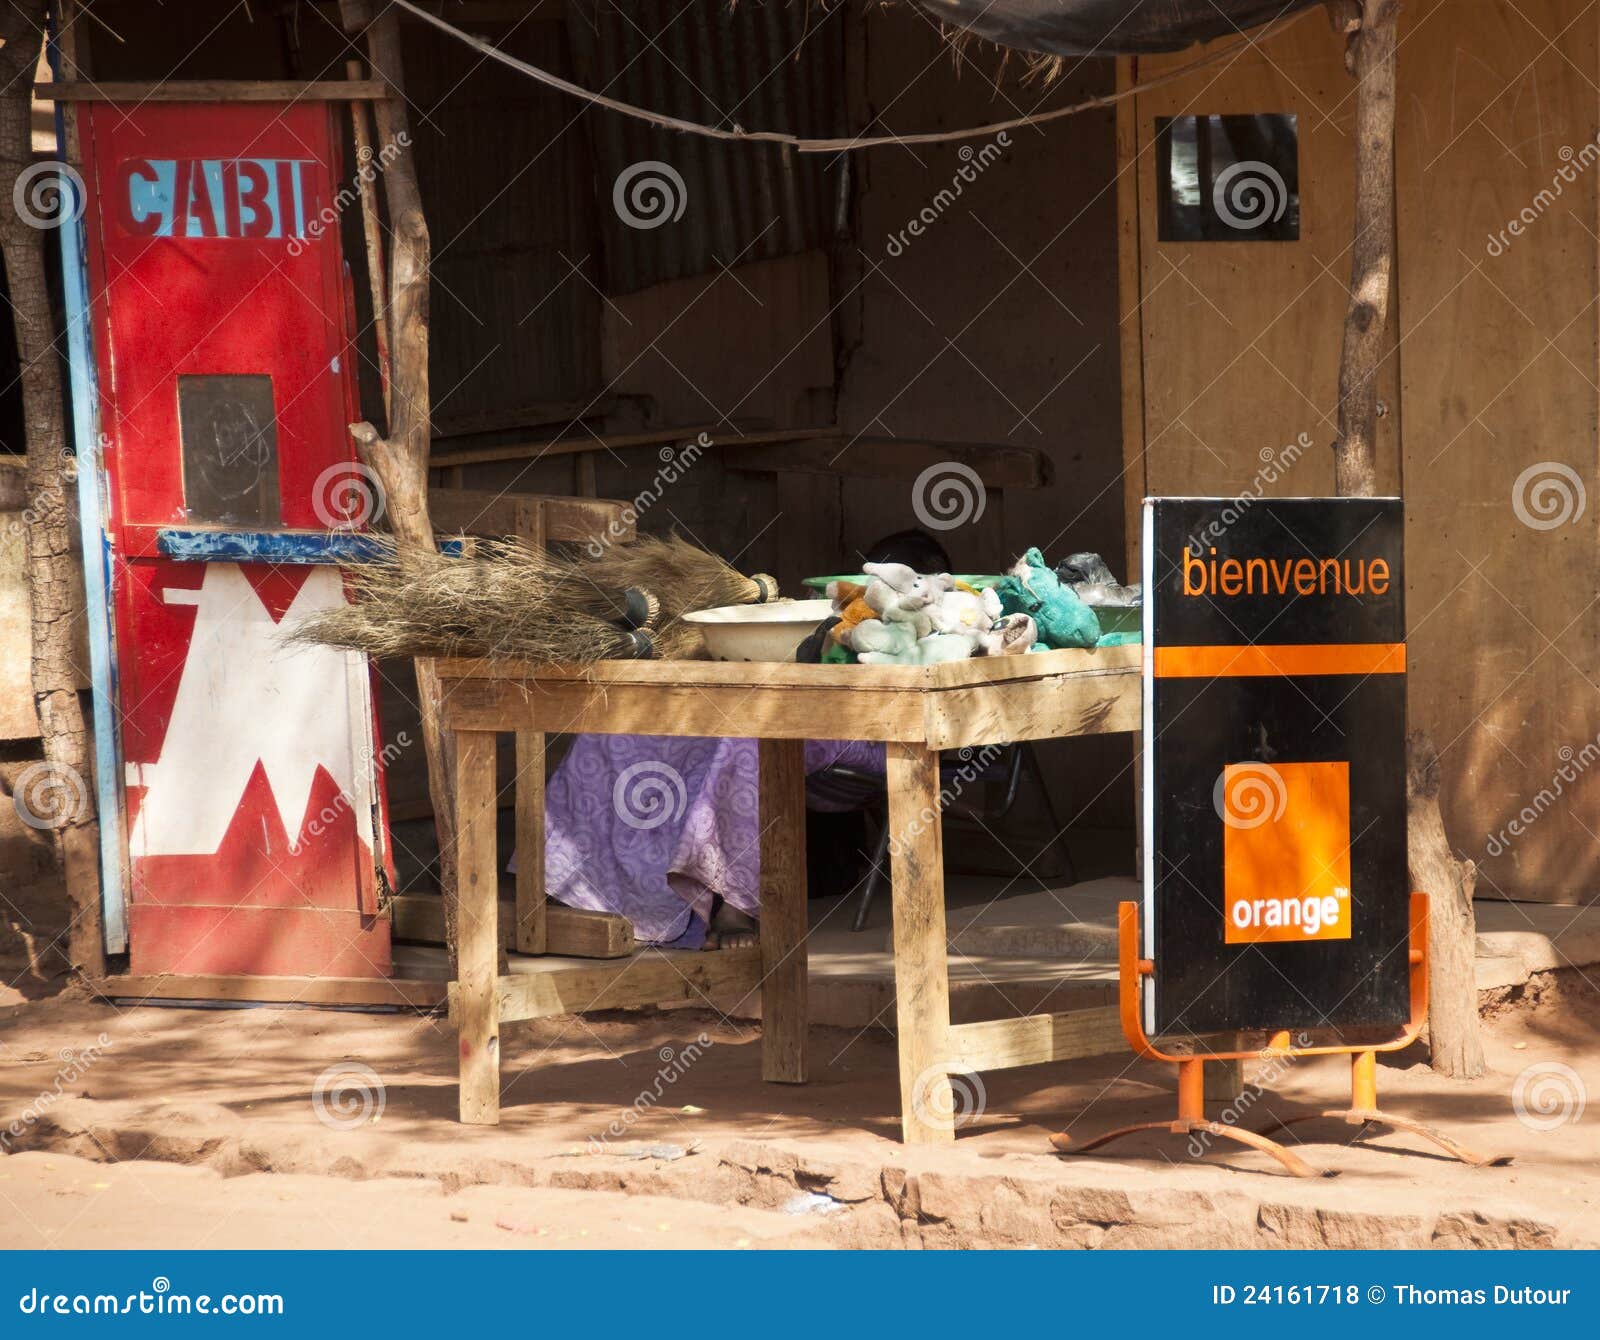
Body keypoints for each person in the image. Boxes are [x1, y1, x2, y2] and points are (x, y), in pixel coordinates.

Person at [535, 530, 952, 949]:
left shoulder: (949, 622)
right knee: (624, 727)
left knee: (747, 739)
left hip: (868, 737)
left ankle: (735, 904)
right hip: (801, 715)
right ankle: (573, 880)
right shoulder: (845, 615)